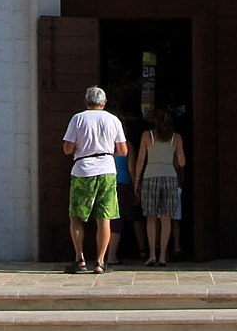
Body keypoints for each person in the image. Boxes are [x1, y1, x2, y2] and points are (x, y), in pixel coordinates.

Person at [60, 86, 128, 274]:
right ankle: (100, 262)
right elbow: (123, 151)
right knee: (104, 218)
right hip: (107, 169)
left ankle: (80, 259)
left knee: (76, 216)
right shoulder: (113, 120)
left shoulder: (78, 118)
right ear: (104, 103)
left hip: (83, 169)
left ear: (86, 102)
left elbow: (67, 148)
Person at [133, 111, 186, 270]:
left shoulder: (147, 135)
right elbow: (182, 162)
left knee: (150, 218)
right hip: (170, 177)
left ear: (155, 122)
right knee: (166, 218)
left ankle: (152, 255)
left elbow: (141, 160)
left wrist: (137, 180)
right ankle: (163, 255)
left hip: (150, 176)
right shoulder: (176, 138)